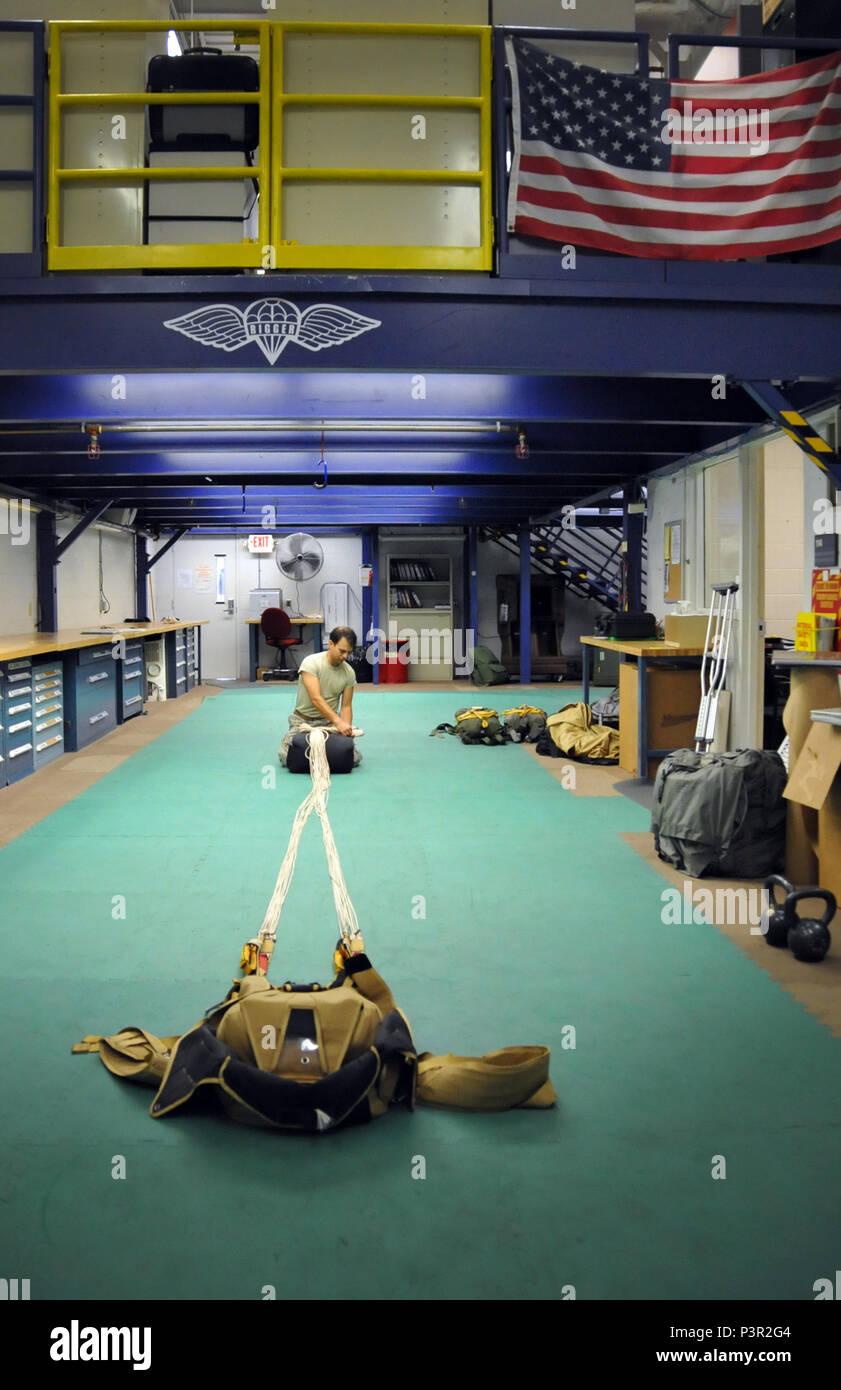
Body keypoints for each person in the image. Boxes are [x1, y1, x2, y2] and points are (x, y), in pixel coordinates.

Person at [278, 626, 362, 766]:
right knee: (286, 758)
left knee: (353, 758)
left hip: (328, 723)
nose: (345, 656)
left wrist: (345, 729)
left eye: (349, 652)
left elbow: (346, 706)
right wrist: (338, 722)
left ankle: (321, 756)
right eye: (342, 651)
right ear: (330, 644)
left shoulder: (349, 673)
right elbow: (316, 699)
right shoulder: (311, 663)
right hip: (302, 722)